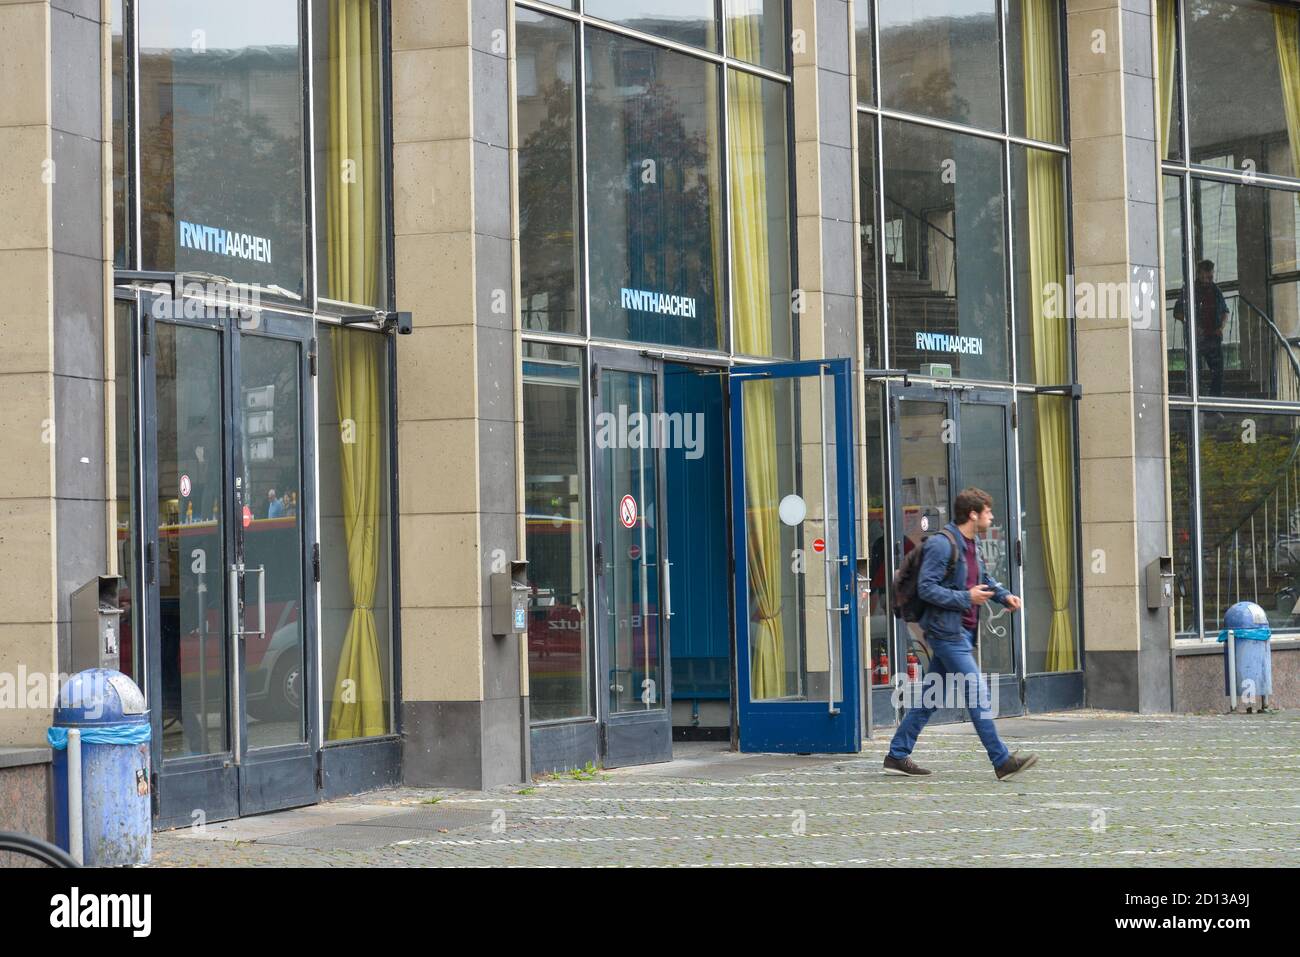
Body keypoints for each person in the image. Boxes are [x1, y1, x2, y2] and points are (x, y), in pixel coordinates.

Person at [883, 487, 1039, 781]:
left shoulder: (972, 543)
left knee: (932, 696)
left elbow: (983, 578)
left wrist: (1003, 596)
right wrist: (966, 598)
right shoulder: (943, 545)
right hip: (946, 633)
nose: (991, 517)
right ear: (973, 514)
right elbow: (927, 588)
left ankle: (897, 754)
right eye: (988, 512)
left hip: (962, 632)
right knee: (978, 694)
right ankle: (1002, 760)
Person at [1172, 259, 1229, 395]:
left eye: (1210, 276)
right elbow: (1177, 312)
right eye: (1205, 276)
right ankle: (1198, 398)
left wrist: (1220, 328)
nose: (1208, 279)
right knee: (1195, 372)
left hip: (1212, 337)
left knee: (1218, 372)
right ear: (1199, 274)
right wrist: (1192, 324)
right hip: (1196, 338)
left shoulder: (1215, 290)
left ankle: (1213, 403)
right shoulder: (1190, 290)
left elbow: (1225, 312)